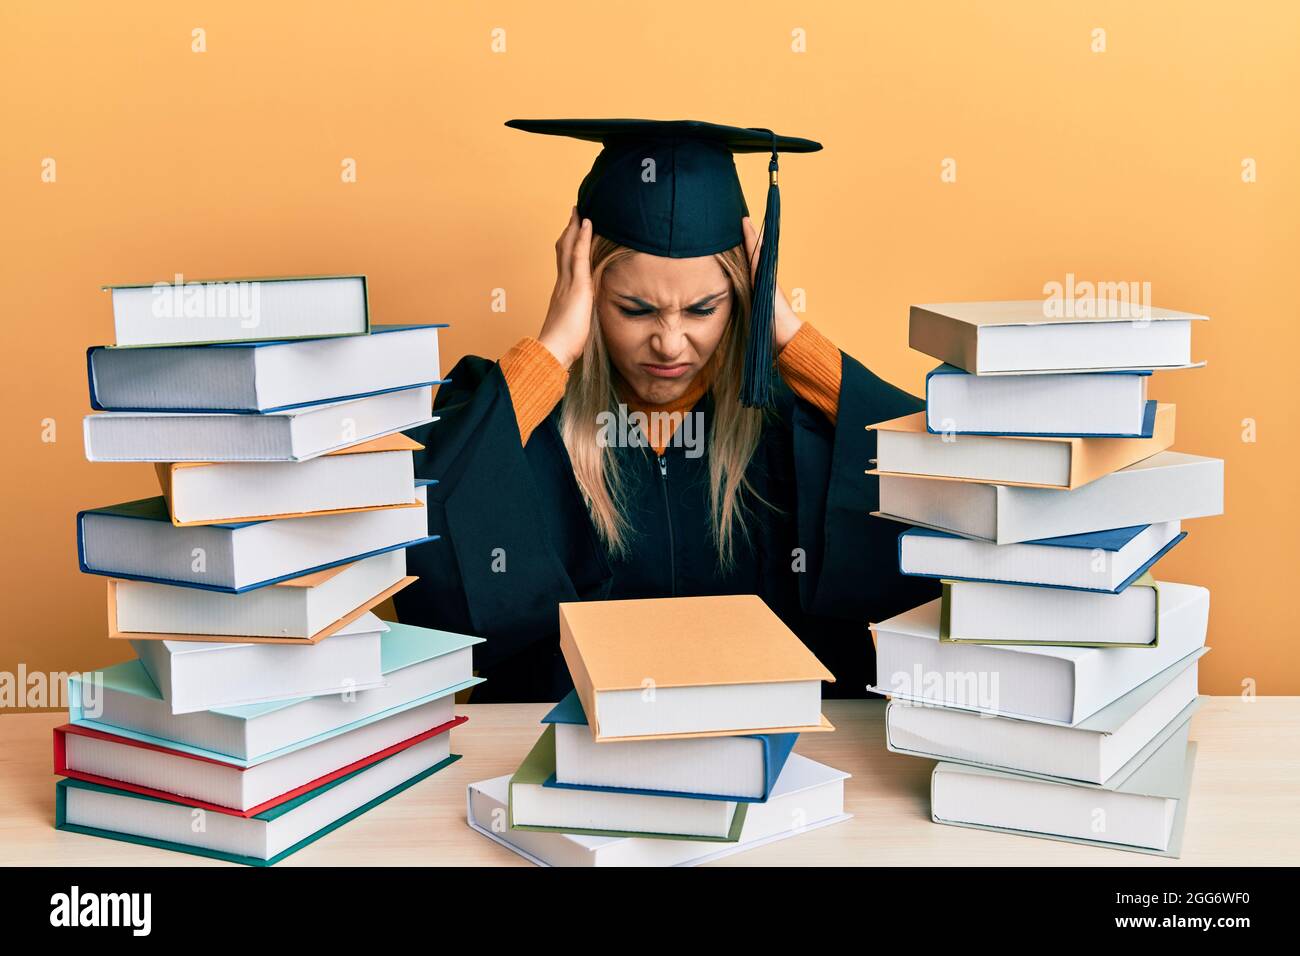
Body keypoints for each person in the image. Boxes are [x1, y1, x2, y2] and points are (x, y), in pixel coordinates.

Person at [393, 119, 938, 702]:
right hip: (559, 760)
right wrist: (551, 352)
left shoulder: (793, 424)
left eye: (704, 309)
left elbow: (951, 492)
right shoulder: (513, 417)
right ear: (584, 290)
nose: (671, 343)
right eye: (634, 309)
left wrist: (790, 341)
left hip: (777, 762)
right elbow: (414, 527)